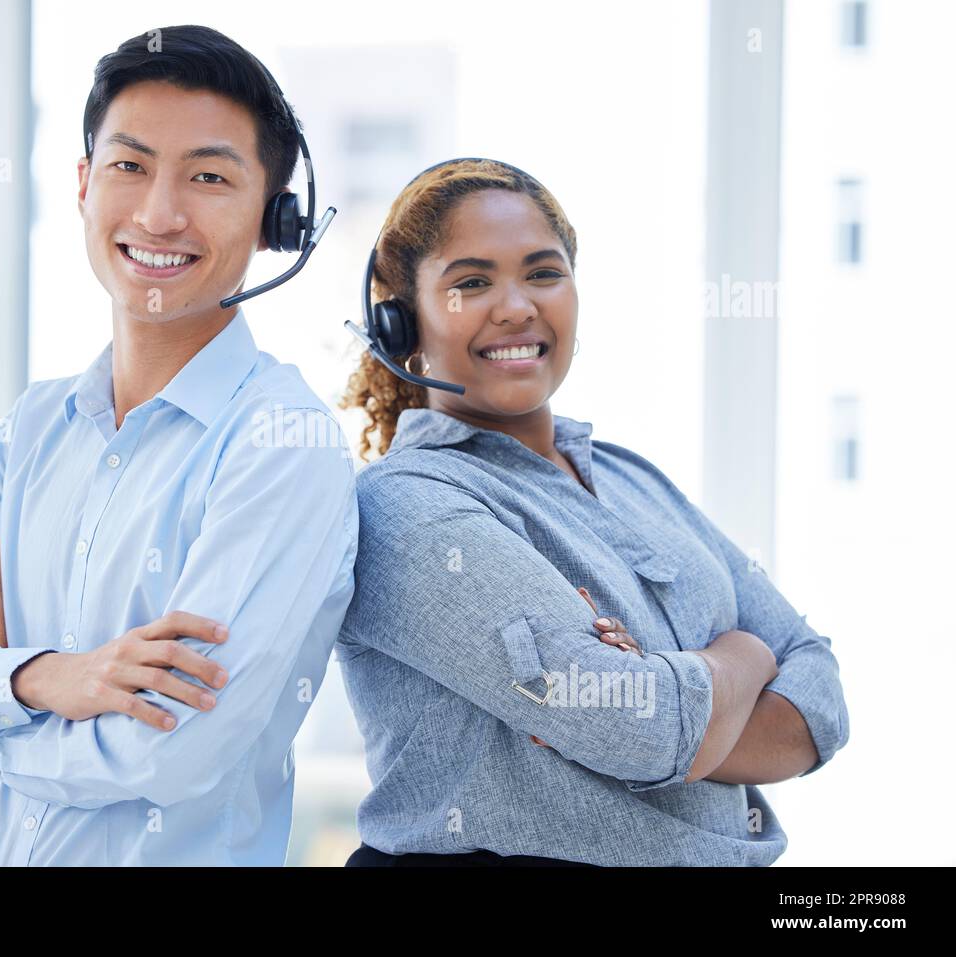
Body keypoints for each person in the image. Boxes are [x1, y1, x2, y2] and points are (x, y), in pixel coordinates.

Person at [0, 25, 358, 866]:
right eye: (129, 165)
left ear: (274, 219)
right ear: (84, 186)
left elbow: (168, 750)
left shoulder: (283, 445)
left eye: (208, 176)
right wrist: (44, 677)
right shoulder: (37, 427)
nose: (160, 212)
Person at [336, 158, 850, 866]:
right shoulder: (405, 505)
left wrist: (679, 701)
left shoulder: (631, 476)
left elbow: (819, 701)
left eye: (543, 273)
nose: (517, 306)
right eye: (472, 282)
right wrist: (746, 654)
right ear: (403, 327)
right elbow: (637, 728)